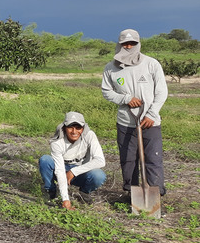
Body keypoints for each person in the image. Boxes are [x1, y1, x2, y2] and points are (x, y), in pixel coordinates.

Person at [101, 28, 169, 198]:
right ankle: (131, 193)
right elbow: (106, 91)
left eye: (132, 43)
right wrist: (126, 98)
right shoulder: (111, 68)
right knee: (128, 159)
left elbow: (162, 92)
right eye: (125, 44)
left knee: (153, 159)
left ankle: (156, 194)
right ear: (120, 44)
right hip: (126, 122)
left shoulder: (151, 64)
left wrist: (151, 115)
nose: (129, 47)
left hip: (150, 122)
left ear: (138, 44)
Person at [38, 111, 107, 209]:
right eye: (70, 127)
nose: (74, 131)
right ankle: (51, 191)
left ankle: (84, 193)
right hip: (61, 168)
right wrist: (65, 199)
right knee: (45, 160)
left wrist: (74, 171)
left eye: (78, 128)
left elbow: (100, 161)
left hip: (80, 172)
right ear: (64, 128)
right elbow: (60, 170)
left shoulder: (89, 135)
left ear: (83, 128)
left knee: (98, 175)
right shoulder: (57, 142)